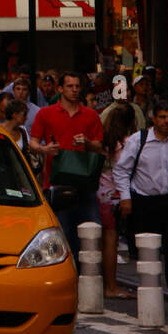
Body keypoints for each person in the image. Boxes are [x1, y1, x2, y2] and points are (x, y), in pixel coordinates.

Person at [30, 71, 103, 259]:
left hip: (85, 184)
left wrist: (86, 142)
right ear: (60, 89)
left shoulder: (91, 115)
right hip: (57, 184)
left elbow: (99, 146)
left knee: (91, 236)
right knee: (62, 238)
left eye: (77, 86)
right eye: (70, 86)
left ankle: (88, 279)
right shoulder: (45, 113)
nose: (74, 90)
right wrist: (45, 150)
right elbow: (33, 142)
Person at [113, 99, 168, 292]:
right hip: (145, 202)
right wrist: (125, 198)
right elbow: (121, 170)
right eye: (162, 117)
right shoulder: (139, 140)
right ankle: (149, 293)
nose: (166, 121)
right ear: (154, 118)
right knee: (148, 252)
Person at [99, 102, 138, 299]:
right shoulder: (127, 142)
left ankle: (102, 283)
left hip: (100, 193)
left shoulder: (104, 140)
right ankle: (111, 286)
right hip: (115, 196)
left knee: (101, 240)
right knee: (111, 240)